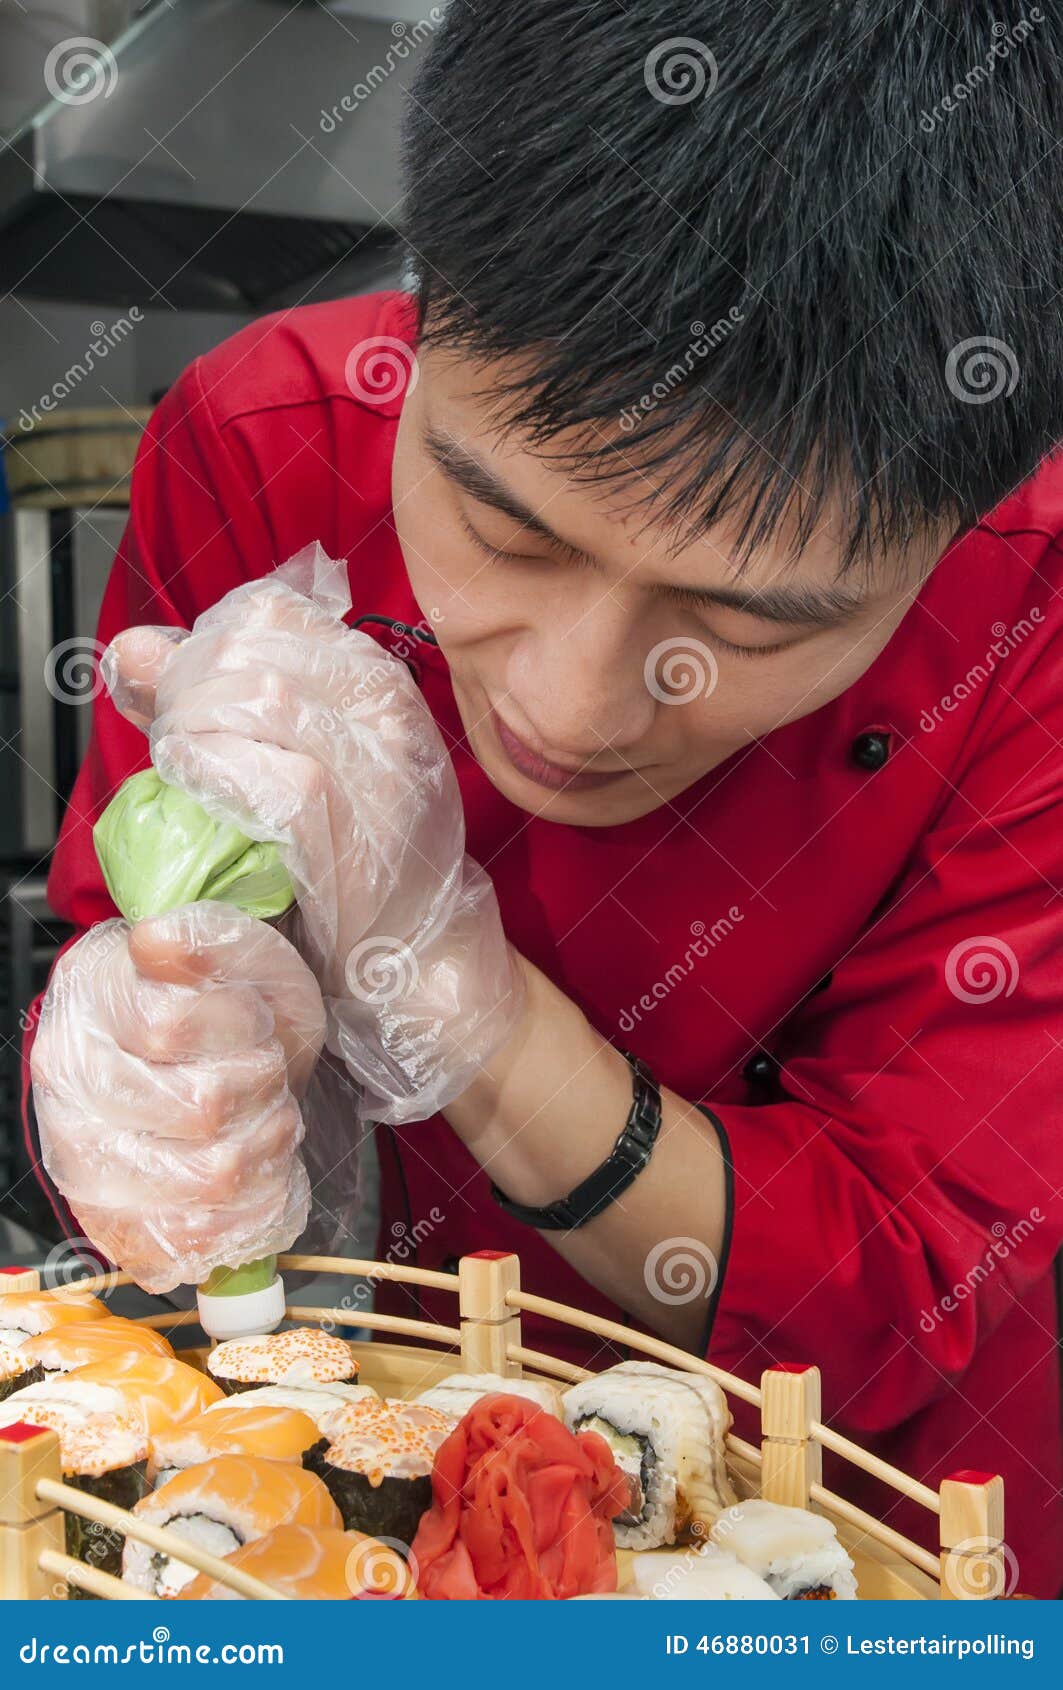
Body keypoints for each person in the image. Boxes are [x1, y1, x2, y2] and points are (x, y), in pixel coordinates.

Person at [22, 2, 1063, 1593]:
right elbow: (137, 959)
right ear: (428, 319)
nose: (569, 707)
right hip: (351, 1470)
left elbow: (911, 1285)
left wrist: (476, 1016)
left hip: (861, 1529)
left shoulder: (1034, 617)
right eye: (505, 530)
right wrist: (141, 1067)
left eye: (749, 622)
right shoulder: (260, 441)